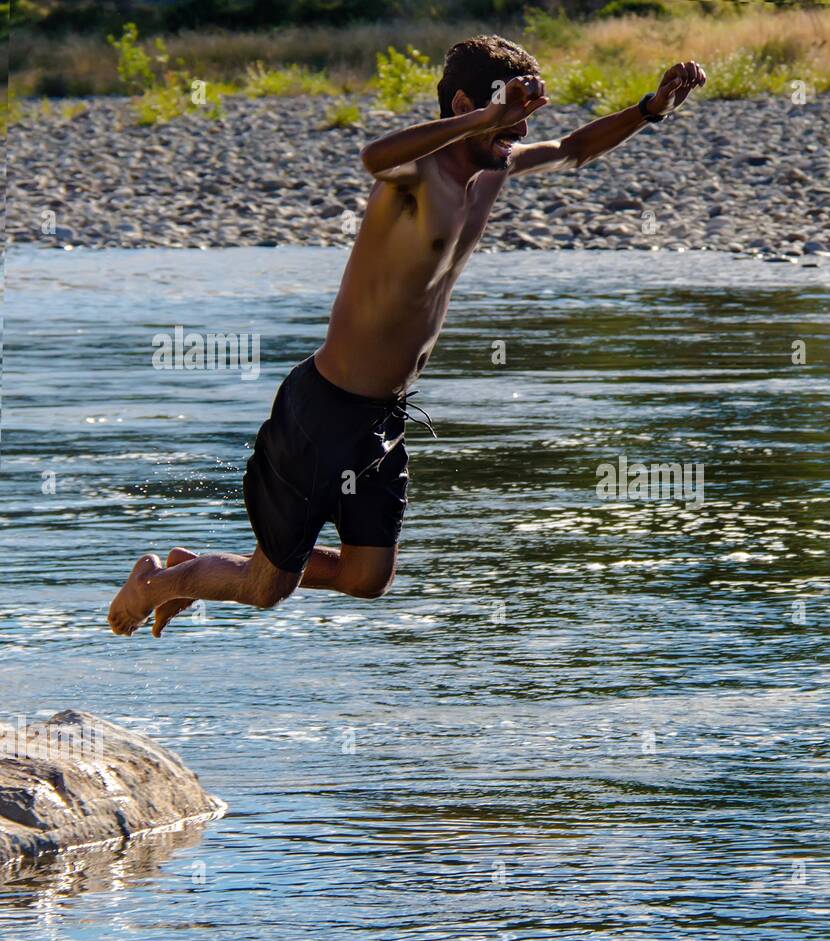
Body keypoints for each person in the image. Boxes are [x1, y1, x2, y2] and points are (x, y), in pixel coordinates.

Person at [108, 35, 706, 637]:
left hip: (382, 416)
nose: (520, 132)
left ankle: (205, 569)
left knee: (368, 577)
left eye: (525, 115)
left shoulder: (495, 168)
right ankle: (164, 582)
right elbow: (372, 155)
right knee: (268, 589)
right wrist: (488, 119)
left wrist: (650, 109)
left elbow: (573, 149)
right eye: (511, 114)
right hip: (323, 411)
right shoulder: (414, 174)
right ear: (467, 105)